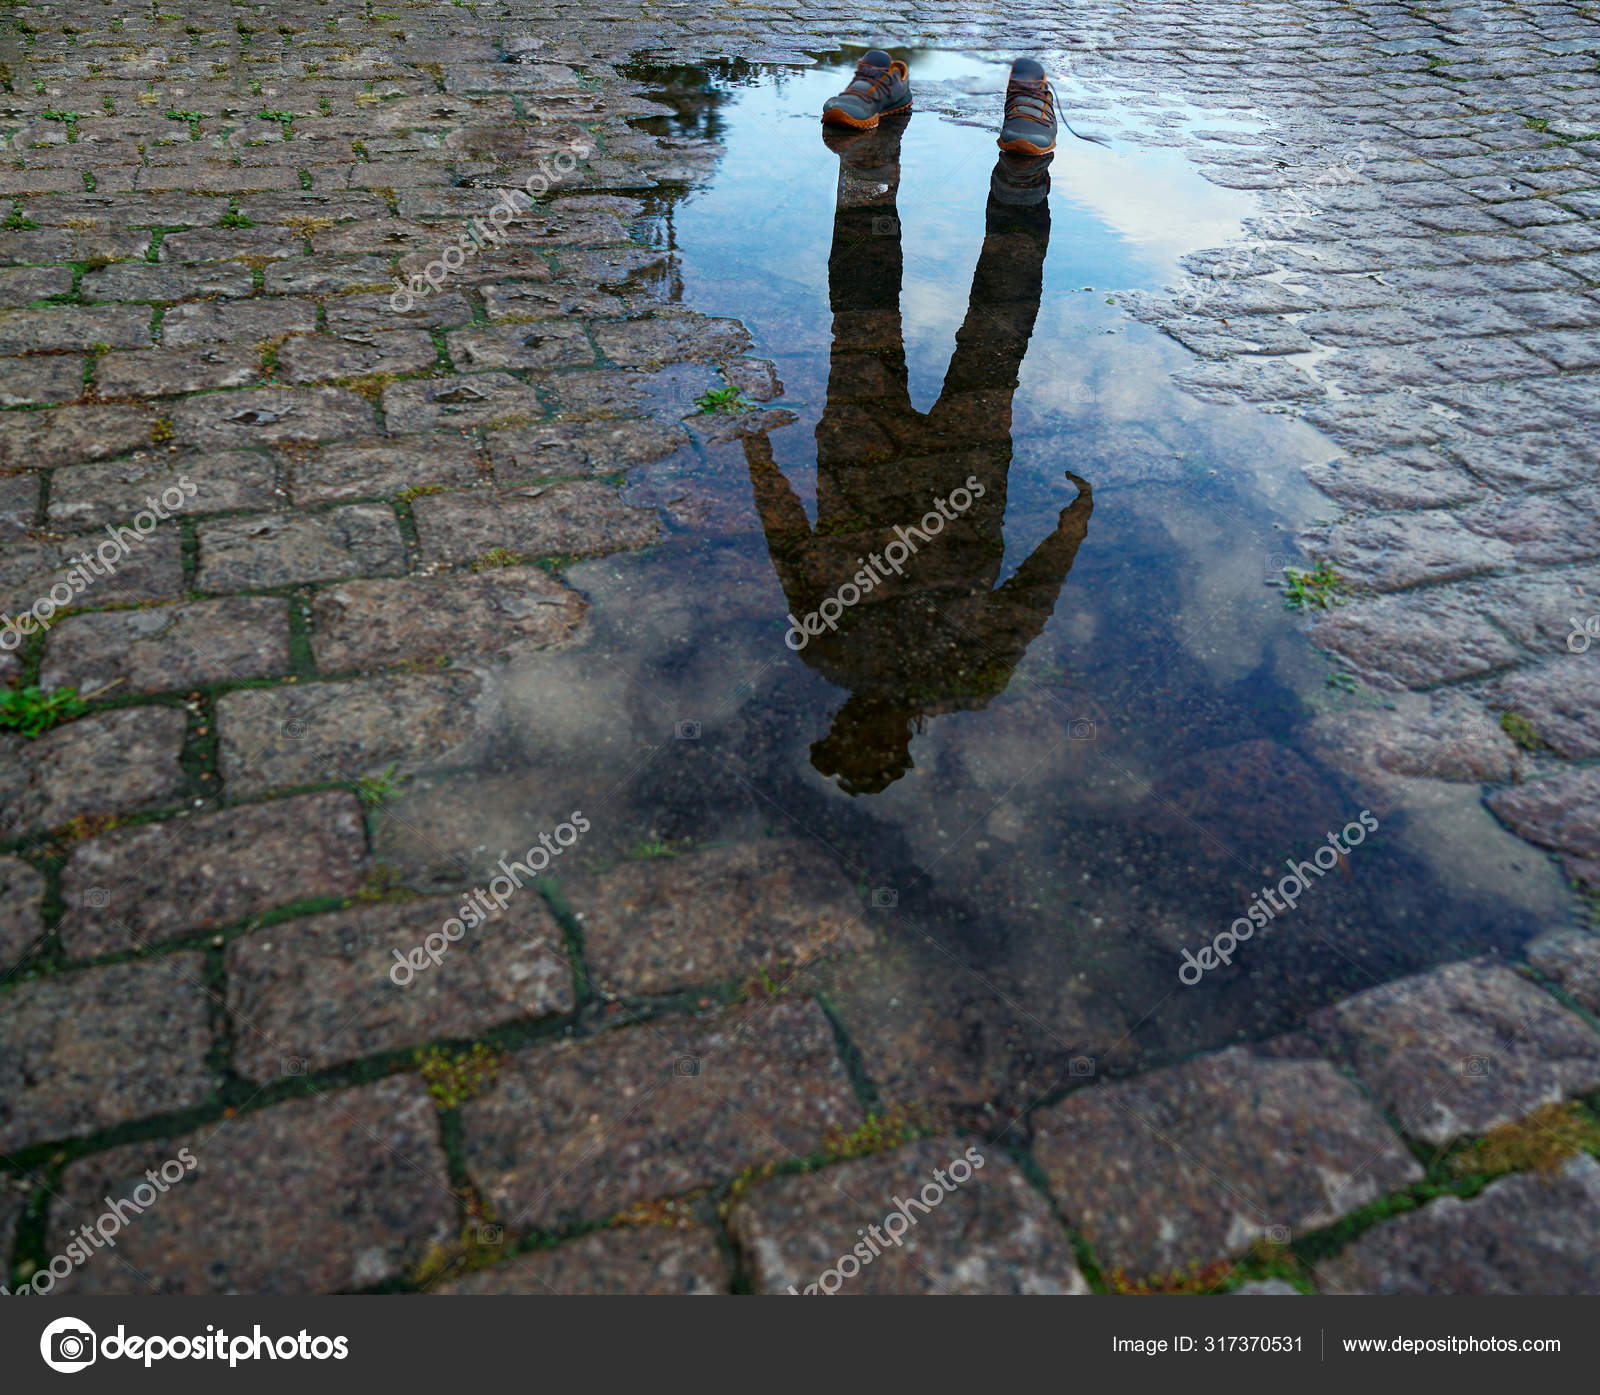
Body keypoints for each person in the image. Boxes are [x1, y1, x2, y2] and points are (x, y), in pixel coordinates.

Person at [740, 53, 1092, 795]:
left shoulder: (826, 651)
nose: (860, 734)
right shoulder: (970, 680)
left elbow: (788, 547)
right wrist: (1068, 530)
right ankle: (1024, 155)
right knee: (997, 331)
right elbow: (1031, 602)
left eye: (844, 742)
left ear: (835, 728)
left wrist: (760, 461)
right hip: (964, 478)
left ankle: (877, 122)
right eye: (872, 751)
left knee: (861, 310)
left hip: (859, 459)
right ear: (901, 750)